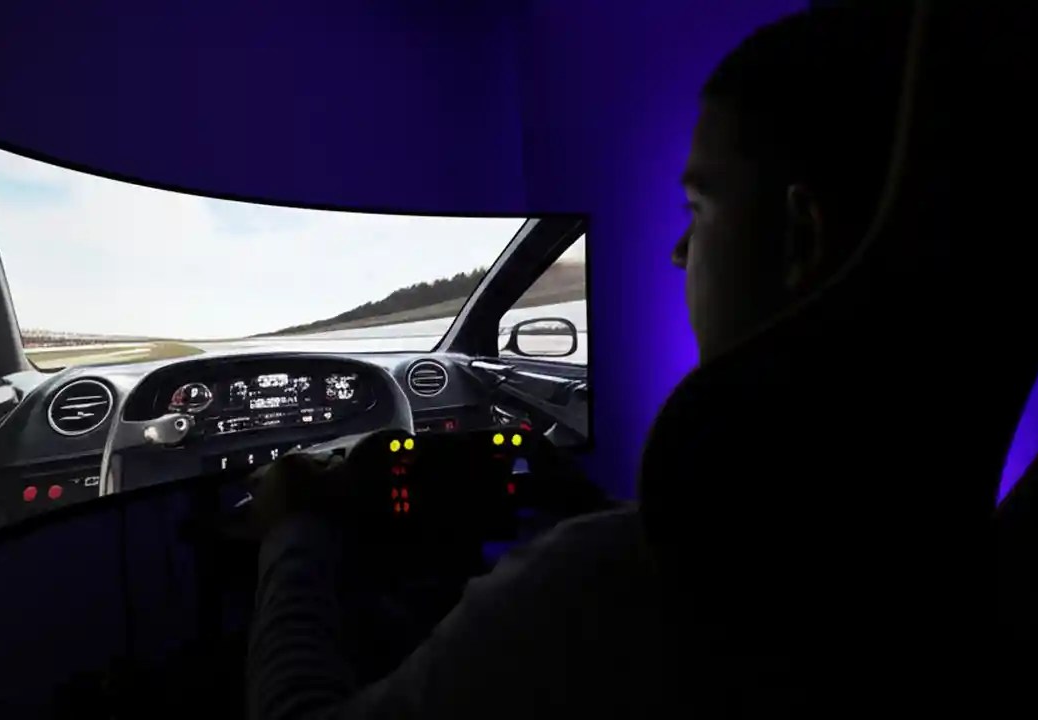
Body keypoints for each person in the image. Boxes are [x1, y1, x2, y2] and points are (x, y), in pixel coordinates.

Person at [246, 5, 912, 718]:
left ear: (801, 237)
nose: (679, 252)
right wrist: (579, 496)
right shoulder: (916, 528)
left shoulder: (596, 583)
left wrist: (293, 536)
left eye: (698, 208)